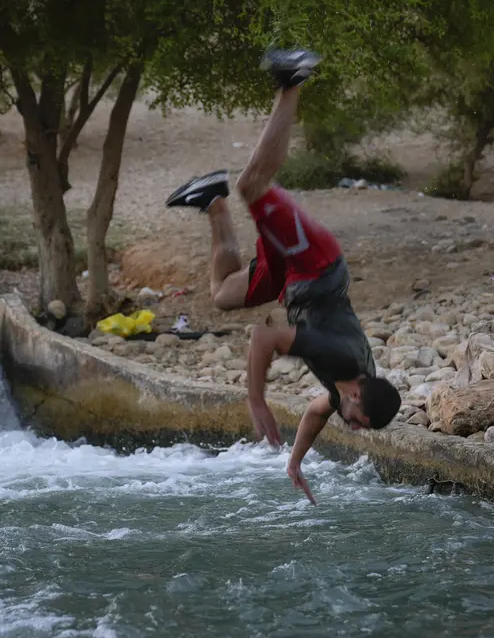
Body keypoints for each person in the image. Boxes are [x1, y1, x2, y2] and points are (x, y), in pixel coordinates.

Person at [166, 49, 401, 504]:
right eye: (356, 420)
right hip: (314, 262)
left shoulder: (346, 391)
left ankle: (211, 200)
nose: (350, 427)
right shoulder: (337, 359)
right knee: (252, 185)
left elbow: (315, 413)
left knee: (224, 295)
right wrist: (257, 400)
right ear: (356, 393)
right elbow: (263, 337)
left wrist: (295, 462)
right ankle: (292, 79)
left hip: (297, 285)